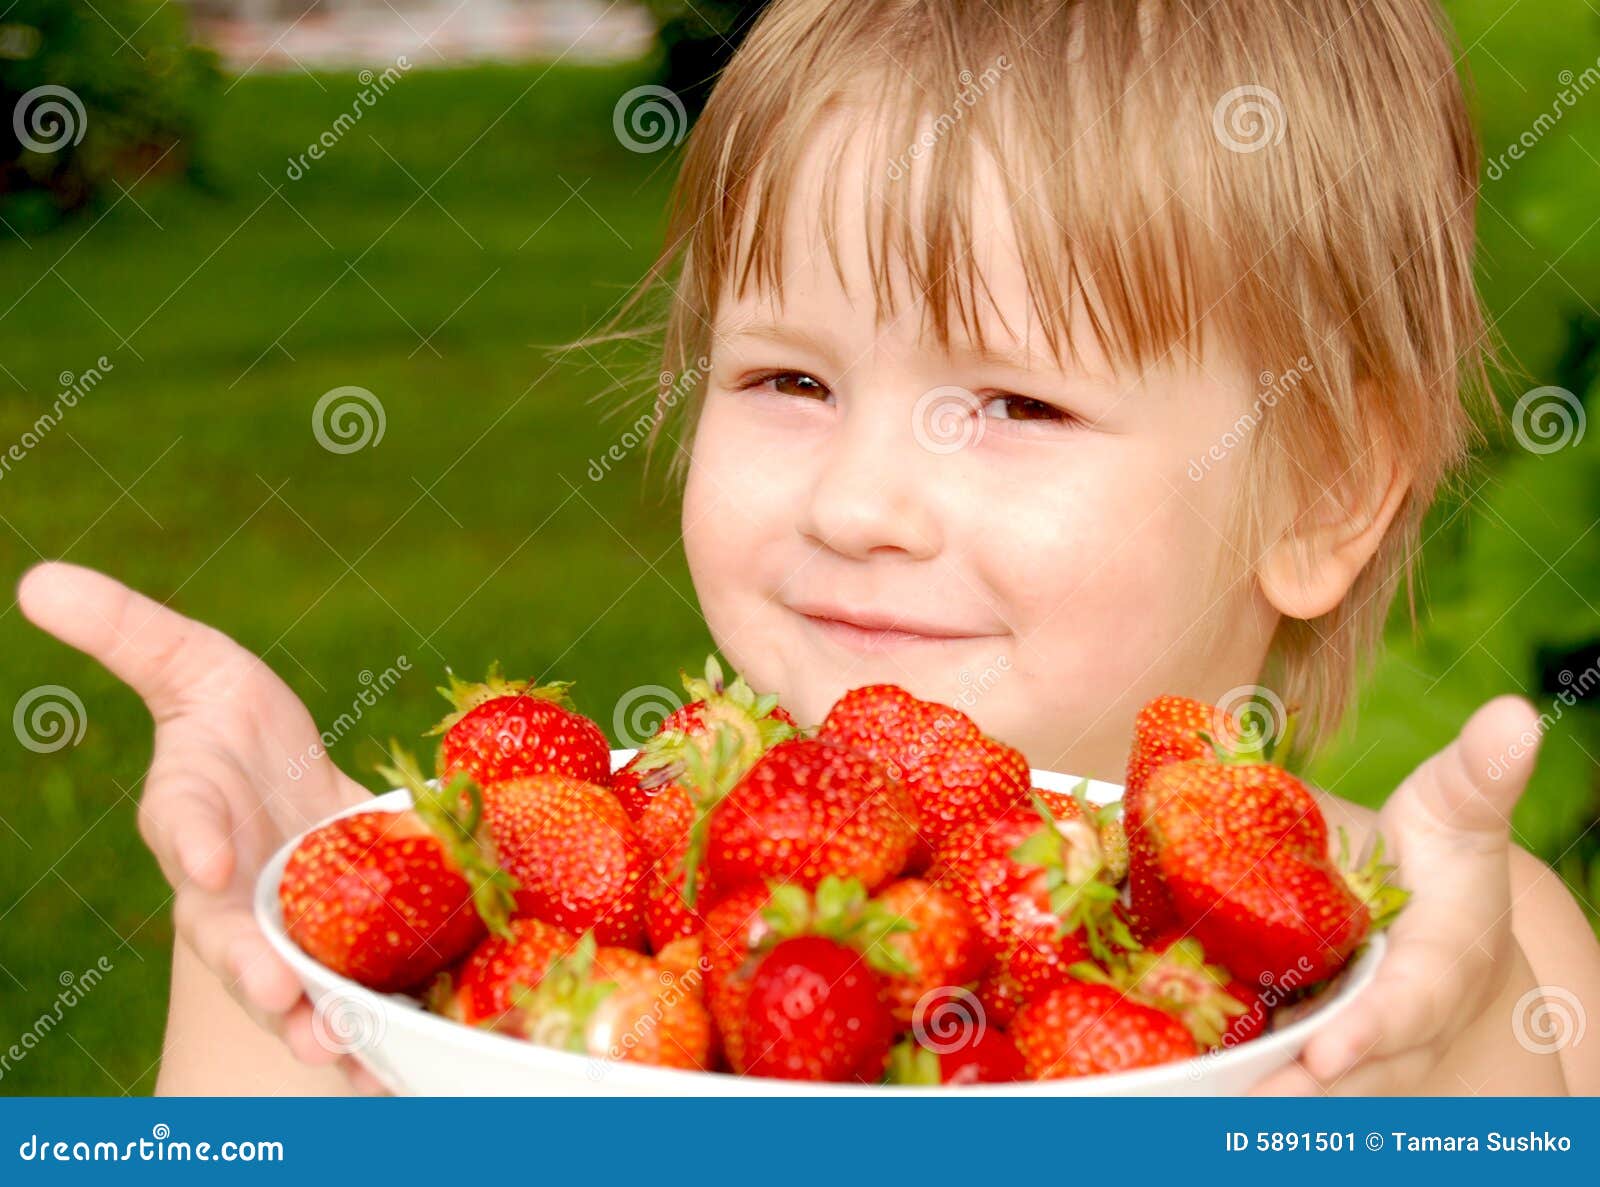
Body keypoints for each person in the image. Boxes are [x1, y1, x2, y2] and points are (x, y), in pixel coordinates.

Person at [20, 0, 1600, 1094]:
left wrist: (1452, 1064)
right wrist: (307, 958)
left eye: (1016, 404)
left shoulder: (1482, 940)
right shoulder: (549, 937)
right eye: (790, 379)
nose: (856, 503)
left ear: (1323, 488)